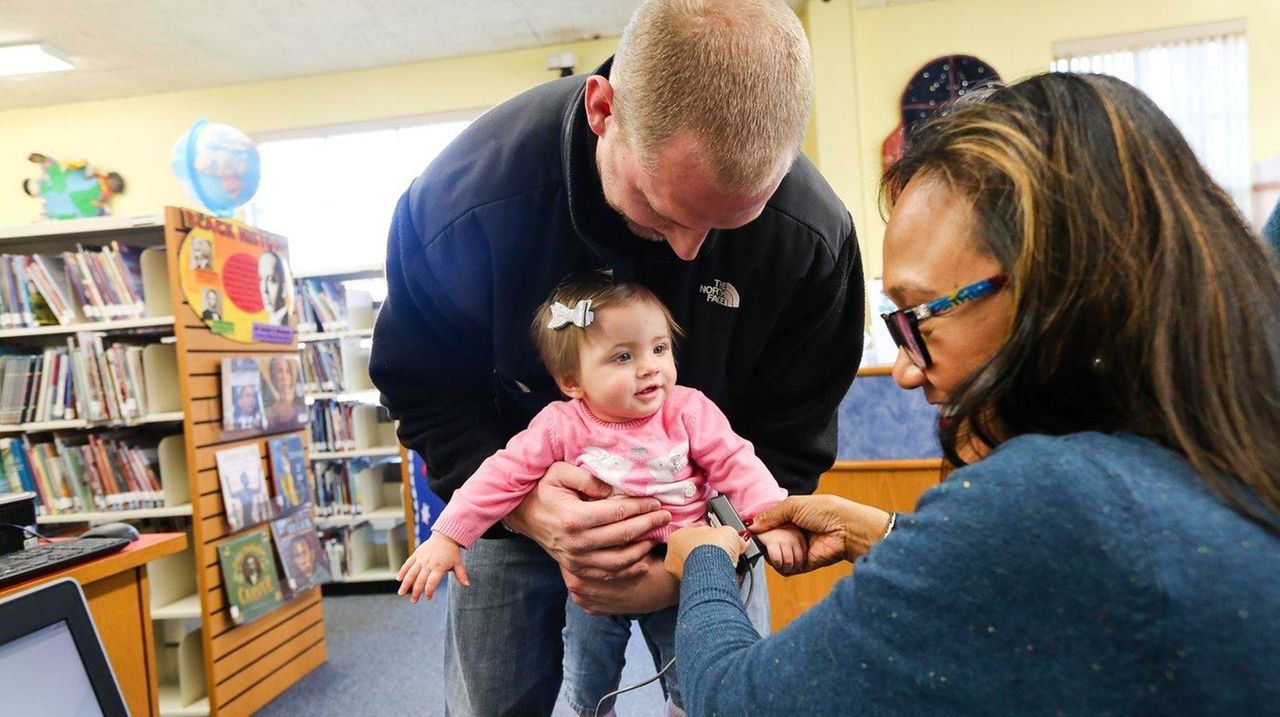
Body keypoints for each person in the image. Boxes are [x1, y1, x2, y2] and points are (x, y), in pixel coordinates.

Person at [664, 73, 1280, 715]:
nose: (904, 370)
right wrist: (884, 534)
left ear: (1057, 289)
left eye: (918, 317)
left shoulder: (1051, 494)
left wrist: (704, 559)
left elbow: (738, 701)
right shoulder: (1211, 449)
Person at [369, 1, 864, 714]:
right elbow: (423, 388)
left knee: (731, 700)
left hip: (706, 515)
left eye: (728, 224)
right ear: (603, 109)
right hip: (508, 495)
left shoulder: (811, 238)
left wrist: (702, 557)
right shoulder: (465, 200)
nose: (688, 251)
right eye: (663, 212)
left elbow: (789, 435)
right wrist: (526, 510)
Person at [396, 279, 803, 716]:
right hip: (594, 573)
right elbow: (500, 476)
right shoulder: (561, 425)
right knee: (590, 668)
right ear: (572, 380)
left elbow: (737, 463)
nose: (650, 368)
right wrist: (449, 537)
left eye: (660, 349)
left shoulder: (688, 409)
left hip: (683, 567)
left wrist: (772, 515)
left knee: (694, 669)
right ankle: (594, 708)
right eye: (623, 357)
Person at [263, 356, 304, 428]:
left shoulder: (300, 410)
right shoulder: (268, 415)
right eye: (280, 371)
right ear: (273, 377)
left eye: (287, 371)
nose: (284, 376)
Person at [257, 250, 291, 325]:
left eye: (271, 280)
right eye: (260, 279)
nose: (264, 289)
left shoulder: (288, 321)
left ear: (284, 288)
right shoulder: (268, 322)